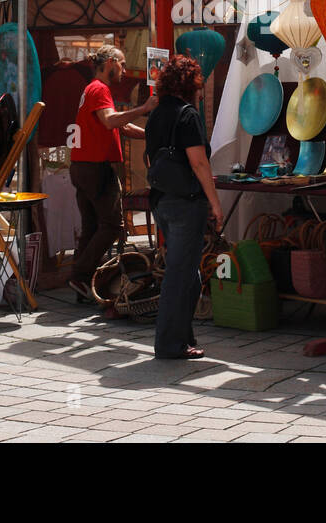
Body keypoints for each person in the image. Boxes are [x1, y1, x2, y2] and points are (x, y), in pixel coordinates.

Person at [144, 54, 223, 360]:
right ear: (191, 84)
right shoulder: (187, 115)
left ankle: (181, 336)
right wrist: (215, 204)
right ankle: (169, 344)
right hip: (186, 203)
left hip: (162, 200)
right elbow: (199, 162)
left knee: (189, 274)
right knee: (180, 275)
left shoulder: (156, 115)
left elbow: (150, 160)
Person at [67, 44, 156, 302]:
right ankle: (81, 275)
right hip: (96, 166)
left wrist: (148, 134)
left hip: (84, 166)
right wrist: (144, 109)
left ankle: (82, 282)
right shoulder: (99, 88)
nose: (125, 70)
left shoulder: (92, 90)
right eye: (123, 64)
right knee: (112, 225)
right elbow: (110, 121)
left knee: (92, 226)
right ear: (109, 63)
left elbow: (119, 125)